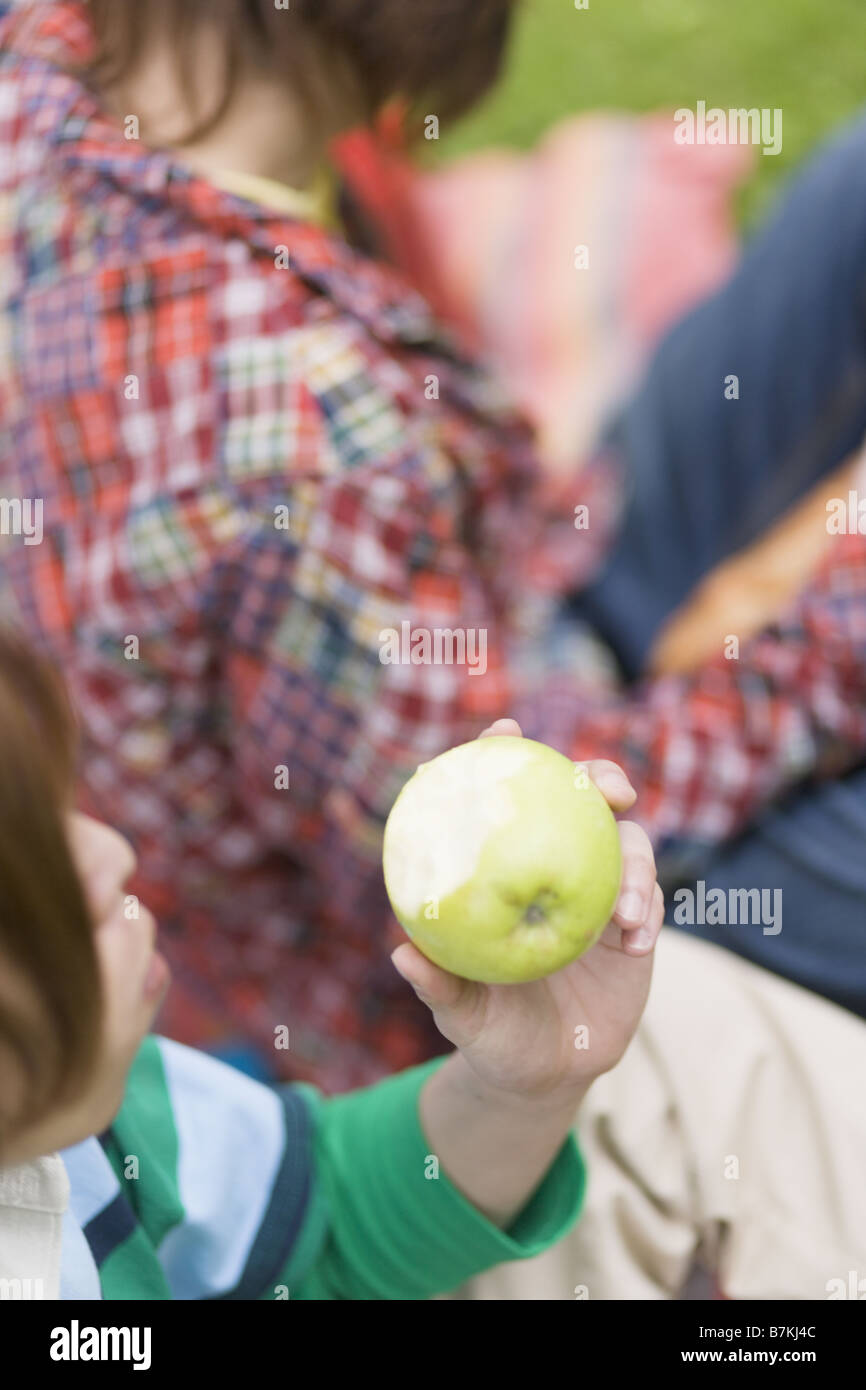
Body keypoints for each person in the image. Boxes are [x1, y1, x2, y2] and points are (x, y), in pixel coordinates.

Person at [0, 0, 863, 1102]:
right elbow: (466, 858)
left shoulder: (45, 63)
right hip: (456, 953)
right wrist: (825, 622)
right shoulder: (315, 450)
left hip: (514, 591)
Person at [0, 629, 666, 1299]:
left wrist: (530, 1086)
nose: (112, 853)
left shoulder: (93, 1114)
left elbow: (322, 1234)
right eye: (22, 884)